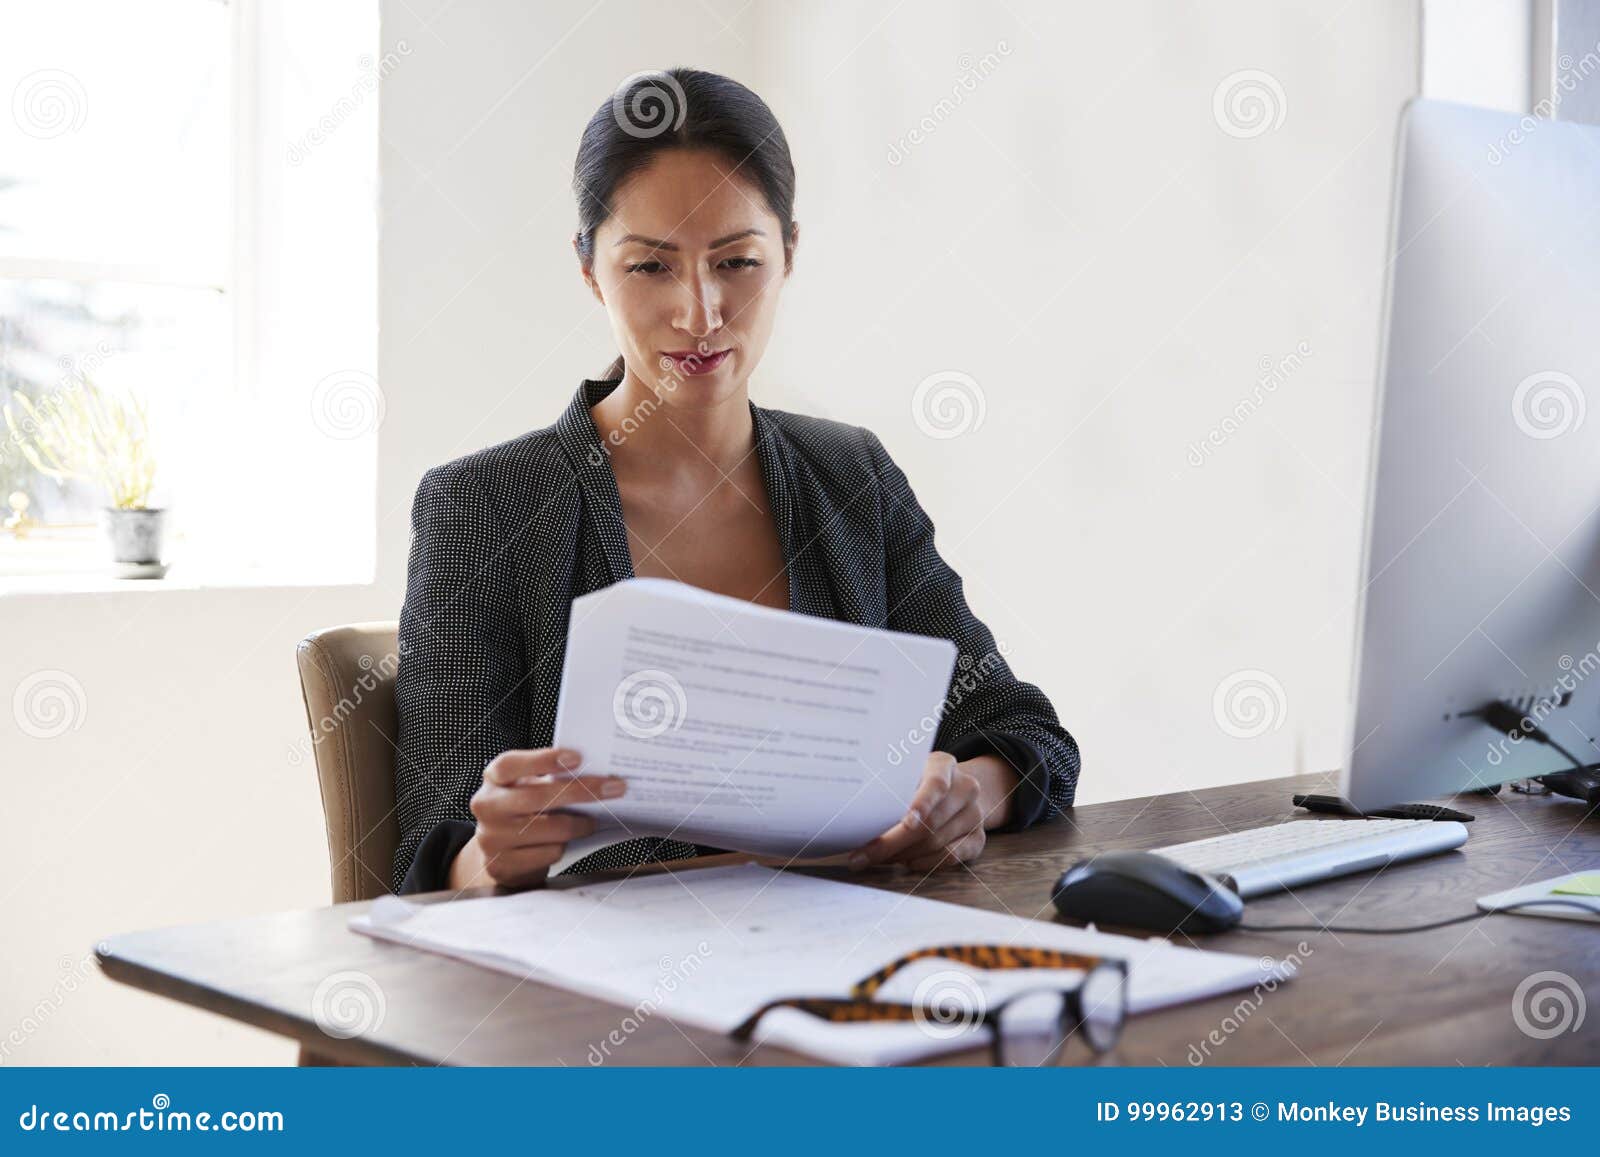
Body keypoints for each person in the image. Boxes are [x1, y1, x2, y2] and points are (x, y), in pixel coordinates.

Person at [391, 68, 1079, 896]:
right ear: (588, 268)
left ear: (789, 251)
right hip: (592, 996)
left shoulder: (849, 475)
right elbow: (432, 852)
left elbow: (1023, 730)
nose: (702, 311)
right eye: (651, 267)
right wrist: (491, 854)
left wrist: (970, 794)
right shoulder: (483, 506)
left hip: (845, 965)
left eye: (737, 261)